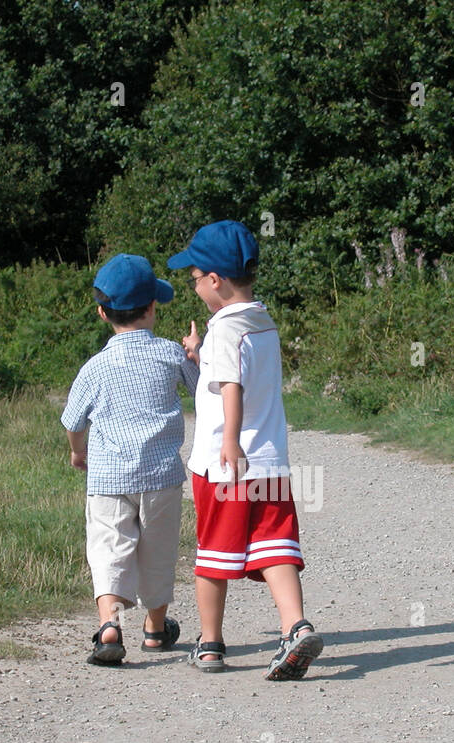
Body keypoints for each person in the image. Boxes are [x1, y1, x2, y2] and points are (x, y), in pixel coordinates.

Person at [167, 220, 323, 680]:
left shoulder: (222, 331)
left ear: (214, 280)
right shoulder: (262, 321)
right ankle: (296, 626)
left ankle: (211, 644)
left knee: (213, 553)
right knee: (275, 546)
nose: (194, 286)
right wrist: (200, 354)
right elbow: (240, 372)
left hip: (225, 463)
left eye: (194, 278)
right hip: (270, 461)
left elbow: (231, 385)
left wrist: (230, 440)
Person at [61, 253, 200, 665]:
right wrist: (196, 354)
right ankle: (156, 630)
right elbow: (203, 390)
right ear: (154, 307)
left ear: (102, 312)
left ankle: (109, 628)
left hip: (107, 478)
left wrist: (77, 449)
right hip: (160, 477)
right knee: (158, 552)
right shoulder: (171, 355)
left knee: (108, 549)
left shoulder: (95, 367)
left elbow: (73, 420)